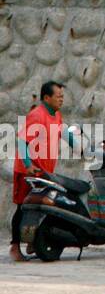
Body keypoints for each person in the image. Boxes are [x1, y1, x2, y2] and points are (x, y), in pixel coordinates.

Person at [10, 81, 81, 262]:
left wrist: (82, 149)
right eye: (58, 97)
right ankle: (15, 246)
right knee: (23, 207)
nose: (61, 100)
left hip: (44, 172)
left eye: (62, 97)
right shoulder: (36, 115)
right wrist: (27, 165)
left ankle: (34, 242)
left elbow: (64, 133)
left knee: (45, 206)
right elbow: (21, 142)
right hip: (28, 171)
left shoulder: (56, 115)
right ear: (46, 98)